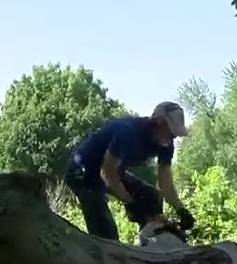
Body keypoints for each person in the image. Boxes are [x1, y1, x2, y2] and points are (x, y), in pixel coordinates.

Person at [64, 102, 194, 241]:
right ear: (157, 123)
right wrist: (130, 203)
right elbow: (106, 173)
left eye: (174, 135)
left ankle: (152, 238)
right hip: (83, 171)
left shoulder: (166, 145)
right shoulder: (127, 132)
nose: (171, 138)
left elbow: (165, 184)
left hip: (112, 169)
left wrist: (181, 210)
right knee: (106, 233)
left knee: (151, 197)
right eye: (170, 132)